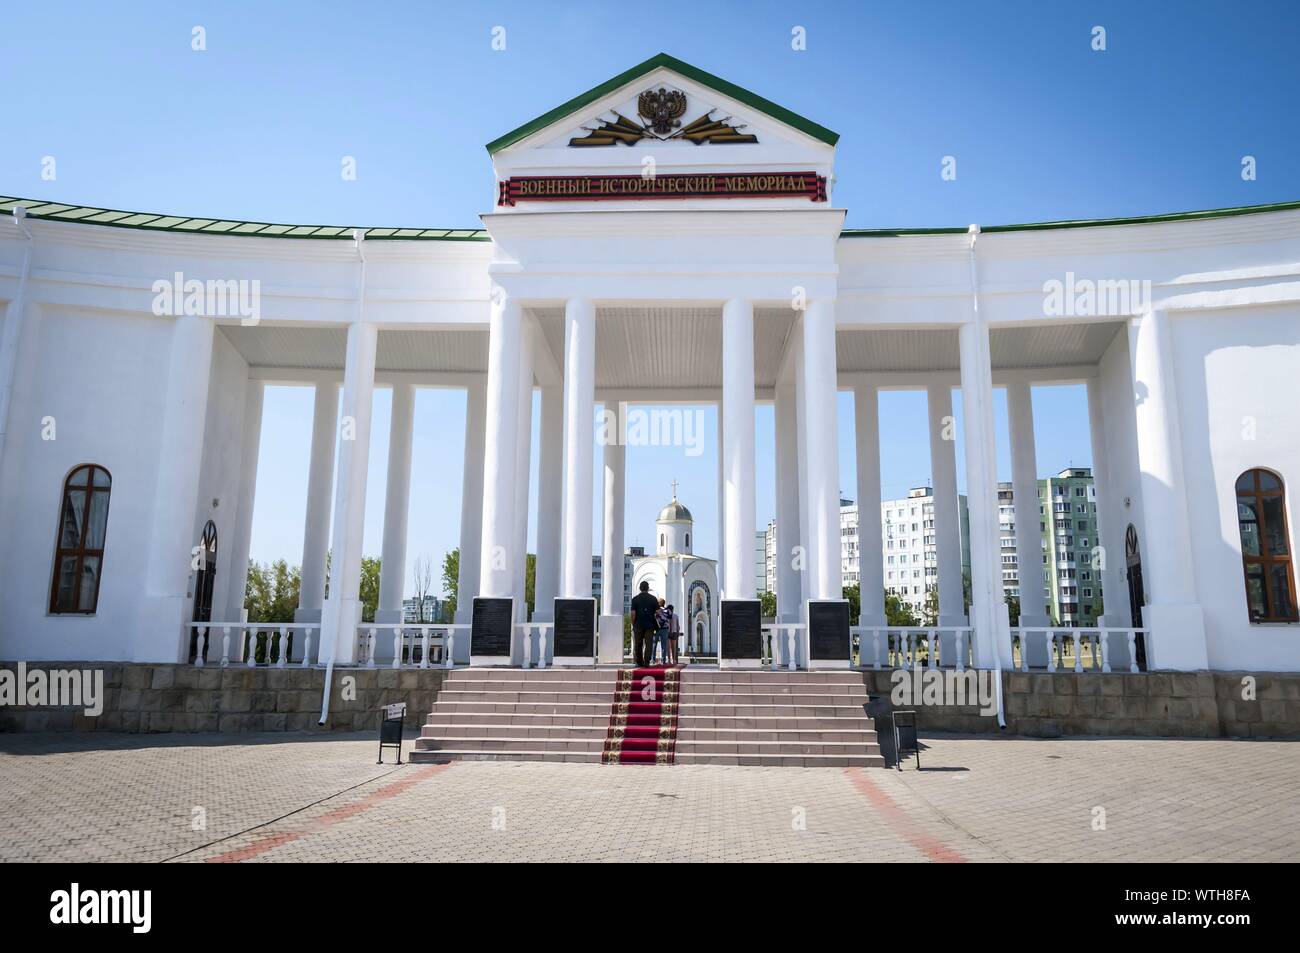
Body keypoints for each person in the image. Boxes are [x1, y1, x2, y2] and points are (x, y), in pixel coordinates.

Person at [629, 580, 659, 668]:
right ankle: (646, 662)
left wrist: (633, 623)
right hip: (650, 625)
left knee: (638, 644)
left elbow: (633, 613)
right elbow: (658, 612)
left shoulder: (635, 599)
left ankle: (639, 662)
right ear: (648, 588)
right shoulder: (653, 599)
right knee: (648, 643)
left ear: (640, 588)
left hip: (638, 624)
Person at [652, 598, 670, 665]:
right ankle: (663, 660)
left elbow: (653, 618)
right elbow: (669, 618)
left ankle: (653, 659)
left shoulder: (655, 610)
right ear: (664, 603)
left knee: (654, 644)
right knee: (664, 645)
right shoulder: (667, 610)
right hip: (665, 629)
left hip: (656, 629)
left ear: (658, 603)